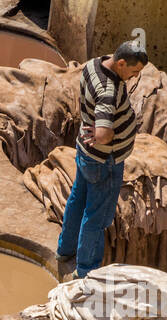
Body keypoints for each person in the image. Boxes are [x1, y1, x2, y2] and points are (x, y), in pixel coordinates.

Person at [56, 40, 149, 279]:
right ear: (120, 63)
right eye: (133, 71)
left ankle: (65, 250)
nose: (133, 77)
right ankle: (87, 272)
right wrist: (106, 134)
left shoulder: (93, 65)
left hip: (85, 155)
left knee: (78, 199)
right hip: (104, 162)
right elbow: (104, 134)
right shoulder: (109, 91)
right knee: (97, 216)